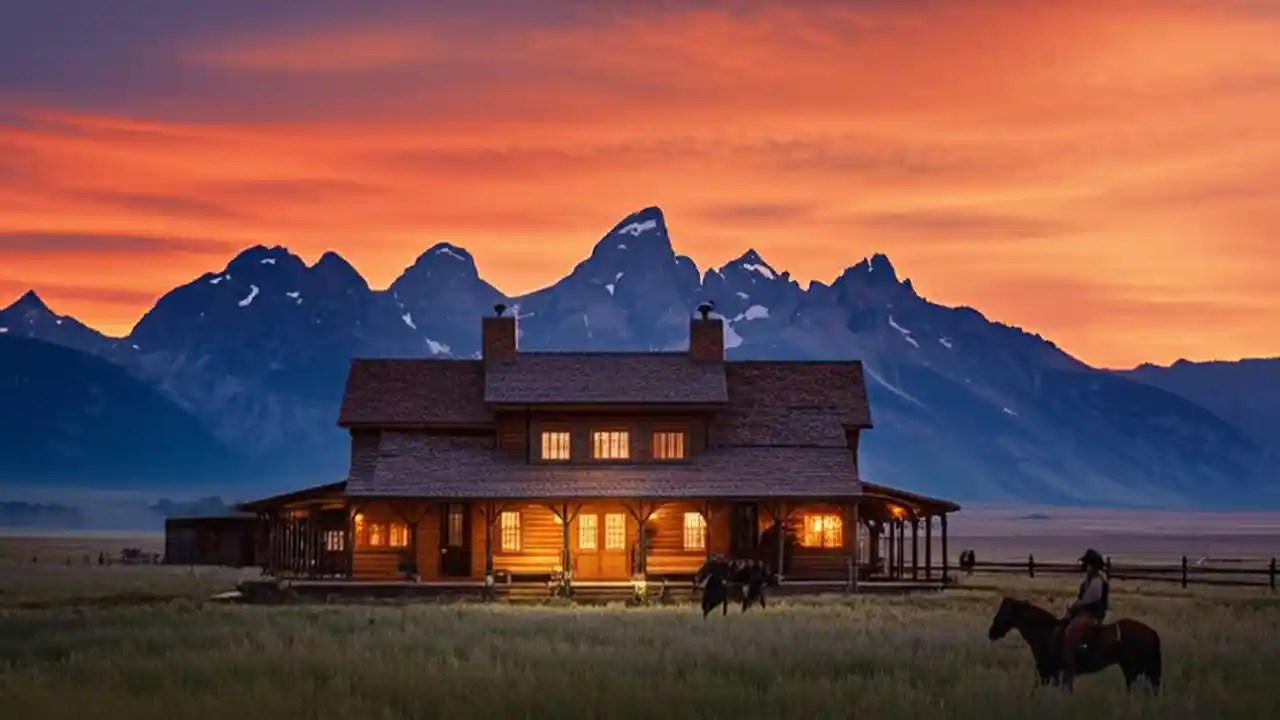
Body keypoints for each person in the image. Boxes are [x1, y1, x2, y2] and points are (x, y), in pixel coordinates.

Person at [1057, 548, 1110, 687]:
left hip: (1093, 614)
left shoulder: (1098, 582)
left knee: (1075, 630)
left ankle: (1078, 656)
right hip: (1085, 612)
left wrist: (1075, 605)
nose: (1085, 567)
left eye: (1087, 564)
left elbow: (1091, 599)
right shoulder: (1089, 581)